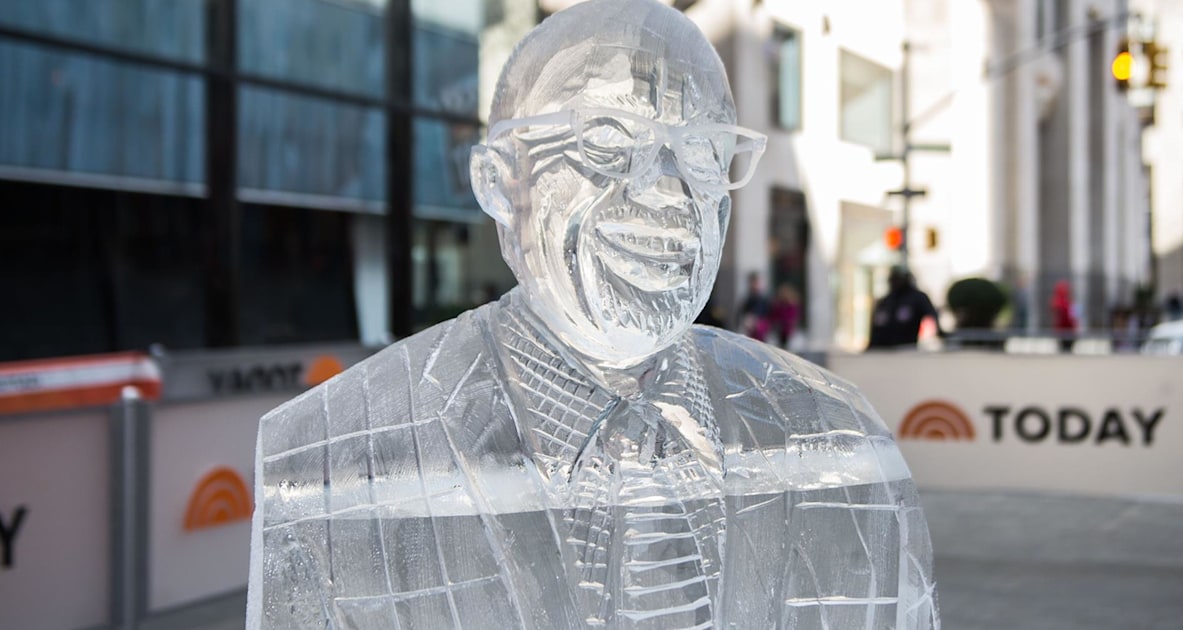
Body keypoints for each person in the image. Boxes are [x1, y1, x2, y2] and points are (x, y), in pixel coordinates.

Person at [248, 2, 938, 628]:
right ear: (498, 180)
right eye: (609, 140)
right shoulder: (330, 461)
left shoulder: (839, 438)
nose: (669, 190)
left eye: (702, 150)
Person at [867, 266, 942, 350]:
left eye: (898, 279)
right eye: (893, 279)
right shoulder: (886, 301)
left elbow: (932, 316)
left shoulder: (917, 298)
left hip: (906, 348)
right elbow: (877, 326)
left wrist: (938, 334)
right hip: (882, 350)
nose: (895, 282)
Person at [737, 271, 771, 341]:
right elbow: (740, 314)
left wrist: (757, 323)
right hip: (749, 332)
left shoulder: (764, 299)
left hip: (760, 332)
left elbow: (768, 316)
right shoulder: (747, 299)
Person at [1050, 280, 1078, 352]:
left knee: (1064, 350)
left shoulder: (1060, 302)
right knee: (1066, 350)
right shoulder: (1065, 303)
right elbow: (1071, 317)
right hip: (1066, 331)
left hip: (1063, 330)